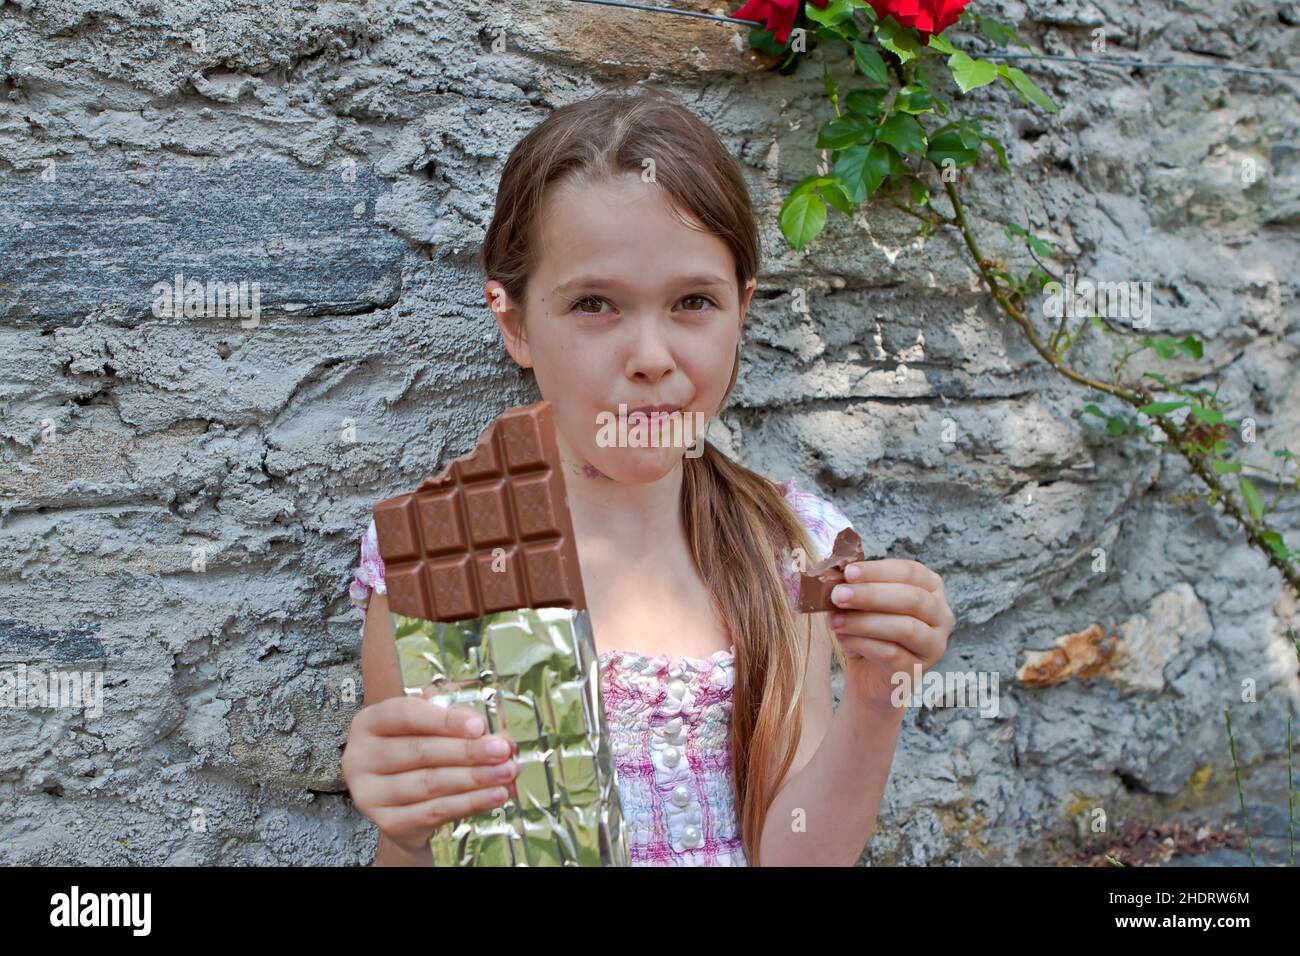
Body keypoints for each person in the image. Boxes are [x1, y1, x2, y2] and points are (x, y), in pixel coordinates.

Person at [340, 89, 956, 866]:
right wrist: (409, 832)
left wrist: (875, 699)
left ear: (742, 311)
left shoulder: (787, 549)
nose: (652, 356)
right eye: (595, 303)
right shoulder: (436, 563)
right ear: (516, 323)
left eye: (694, 301)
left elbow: (796, 852)